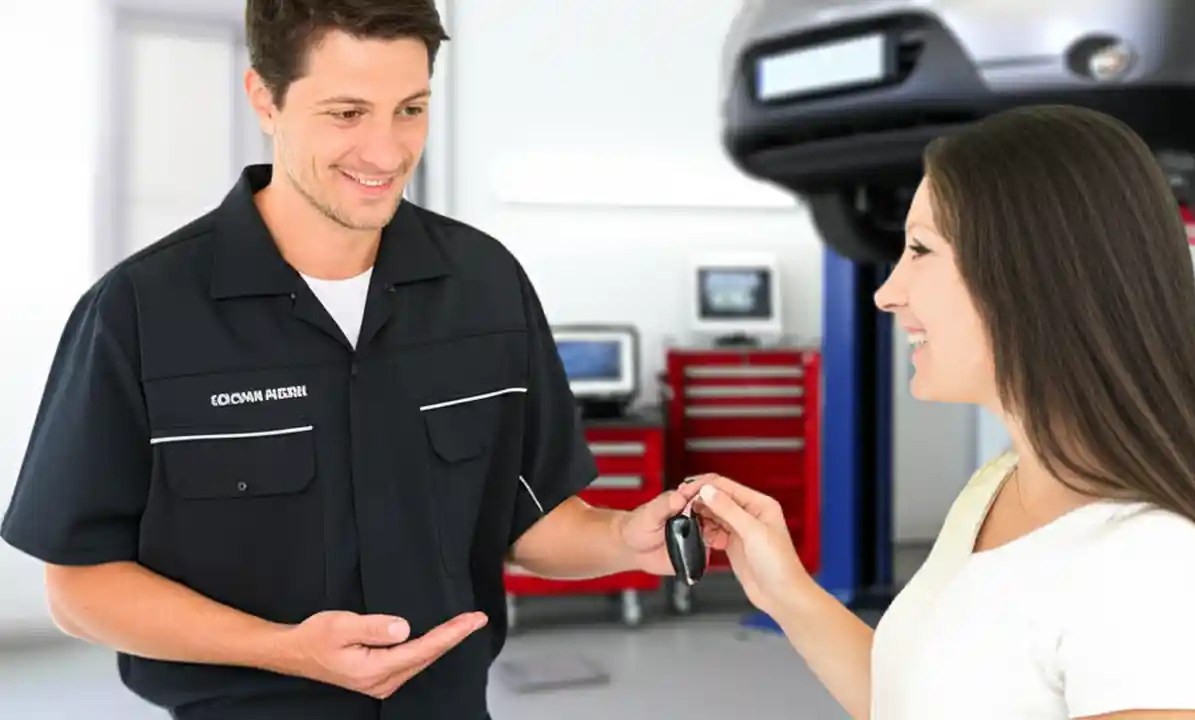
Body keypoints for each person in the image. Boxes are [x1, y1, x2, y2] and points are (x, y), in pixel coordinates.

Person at [0, 1, 703, 718]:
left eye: (411, 109)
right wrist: (281, 649)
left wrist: (622, 537)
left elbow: (529, 520)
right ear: (265, 100)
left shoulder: (487, 287)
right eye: (346, 113)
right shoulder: (139, 312)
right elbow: (80, 590)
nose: (387, 152)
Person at [683, 104, 1195, 720]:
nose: (887, 293)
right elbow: (917, 701)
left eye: (920, 250)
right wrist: (787, 593)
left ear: (1038, 274)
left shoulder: (1155, 575)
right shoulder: (993, 490)